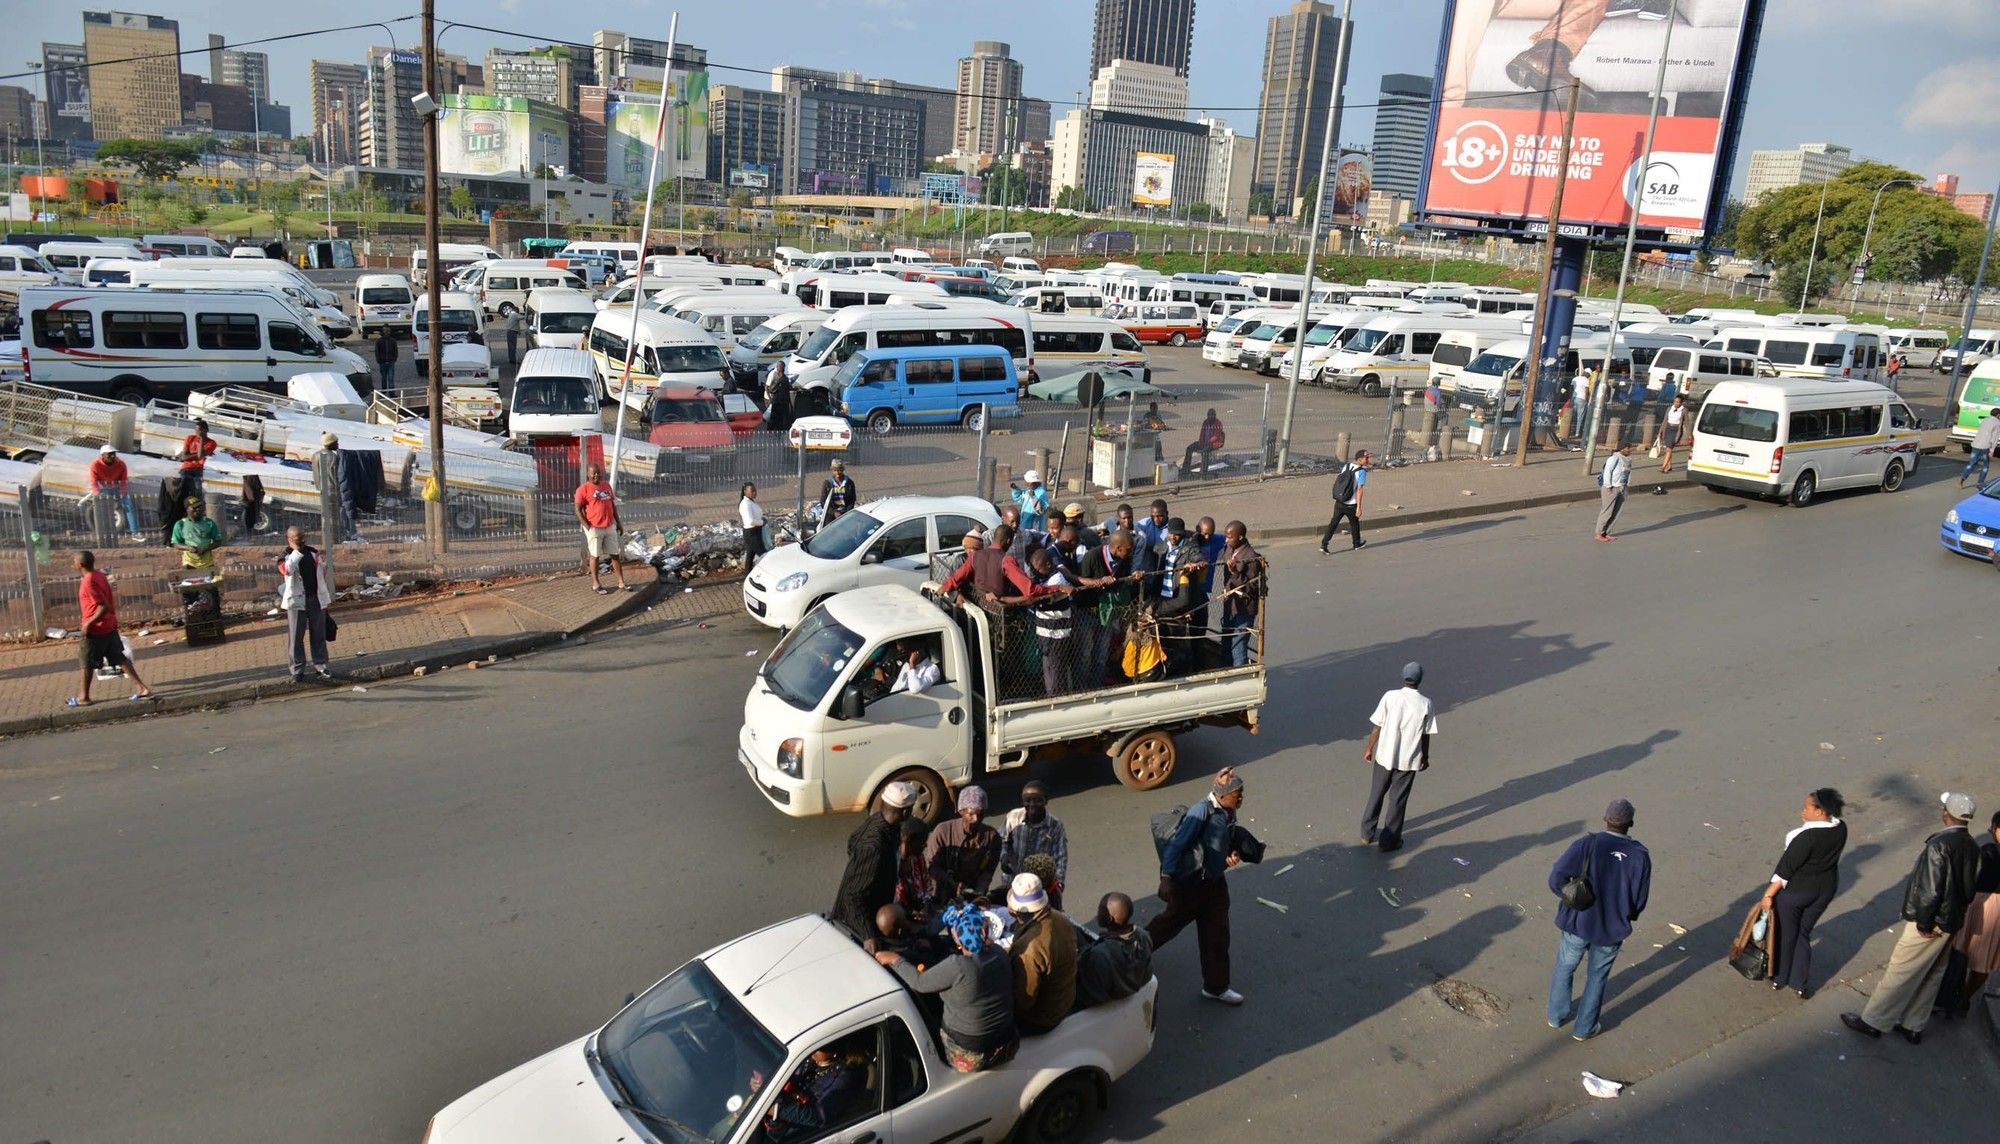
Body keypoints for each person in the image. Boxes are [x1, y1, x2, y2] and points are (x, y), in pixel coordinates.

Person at [1842, 792, 1983, 1045]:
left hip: (1932, 921)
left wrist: (1924, 923)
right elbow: (1969, 890)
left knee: (1901, 970)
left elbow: (1930, 890)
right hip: (1952, 921)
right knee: (1933, 973)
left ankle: (1874, 1021)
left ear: (1946, 814)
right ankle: (1913, 1025)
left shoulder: (1939, 846)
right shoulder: (1972, 846)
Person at [1547, 798, 1652, 1042]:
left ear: (1605, 819)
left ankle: (1556, 1015)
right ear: (1631, 824)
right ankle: (1584, 1029)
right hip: (1612, 928)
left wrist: (1571, 898)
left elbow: (1556, 878)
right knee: (1597, 976)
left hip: (1579, 922)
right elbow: (1639, 899)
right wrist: (1627, 915)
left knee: (1565, 966)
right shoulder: (1639, 855)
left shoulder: (1588, 844)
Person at [876, 901, 1018, 1072]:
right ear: (984, 931)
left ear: (958, 940)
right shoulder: (999, 953)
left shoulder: (957, 966)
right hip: (1006, 1044)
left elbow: (919, 983)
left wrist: (895, 960)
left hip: (970, 1055)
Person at [1150, 767, 1248, 1005]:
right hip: (1191, 886)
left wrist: (1228, 858)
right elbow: (1177, 845)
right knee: (1166, 926)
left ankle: (1216, 987)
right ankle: (1129, 951)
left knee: (1217, 936)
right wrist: (1166, 878)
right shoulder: (1200, 811)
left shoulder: (1228, 812)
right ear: (1223, 795)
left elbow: (1216, 845)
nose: (1241, 797)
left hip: (1214, 885)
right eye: (1238, 793)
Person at [1759, 788, 1848, 999]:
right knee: (1803, 933)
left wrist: (1768, 895)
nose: (1802, 811)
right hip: (1825, 889)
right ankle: (1799, 982)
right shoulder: (1840, 828)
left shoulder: (1803, 837)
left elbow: (1784, 871)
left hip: (1797, 893)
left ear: (1820, 811)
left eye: (1807, 807)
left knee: (1787, 934)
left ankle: (1779, 976)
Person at [1360, 662, 1439, 853]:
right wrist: (1425, 757)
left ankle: (1366, 834)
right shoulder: (1426, 703)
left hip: (1385, 755)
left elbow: (1377, 726)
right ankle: (1389, 842)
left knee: (1376, 793)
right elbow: (1425, 734)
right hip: (1408, 760)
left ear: (1403, 677)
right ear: (1420, 681)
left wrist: (1369, 748)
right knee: (1397, 800)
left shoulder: (1390, 696)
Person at [831, 782, 915, 943]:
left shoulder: (880, 821)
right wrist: (868, 936)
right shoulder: (874, 848)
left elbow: (852, 841)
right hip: (857, 924)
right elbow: (852, 897)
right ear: (905, 811)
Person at [70, 550, 151, 706]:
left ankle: (83, 697)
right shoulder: (99, 575)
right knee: (118, 657)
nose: (72, 564)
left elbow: (103, 607)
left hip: (97, 629)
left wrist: (88, 623)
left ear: (80, 565)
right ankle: (141, 688)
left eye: (73, 562)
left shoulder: (88, 581)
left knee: (86, 662)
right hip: (109, 625)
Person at [1944, 811, 2000, 1017]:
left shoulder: (1989, 852)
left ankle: (1949, 995)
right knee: (1983, 963)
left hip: (1982, 905)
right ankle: (1963, 998)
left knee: (1960, 951)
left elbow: (1971, 879)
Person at [1006, 873, 1077, 1035]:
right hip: (1064, 999)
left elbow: (1023, 1001)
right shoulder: (1061, 918)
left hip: (1043, 1018)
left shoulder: (1029, 950)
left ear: (1014, 910)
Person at [761, 1039, 868, 1140]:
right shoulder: (808, 1060)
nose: (813, 1049)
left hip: (806, 1135)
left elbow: (819, 1116)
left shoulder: (846, 1076)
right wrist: (764, 1085)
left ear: (834, 1051)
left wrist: (777, 1109)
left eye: (821, 1047)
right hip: (777, 1127)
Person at [1006, 548, 1075, 696]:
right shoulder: (1042, 578)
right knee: (1048, 666)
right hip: (1046, 631)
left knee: (1055, 668)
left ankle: (1056, 696)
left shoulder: (1057, 579)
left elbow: (1038, 598)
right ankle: (1052, 693)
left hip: (1057, 633)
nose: (1035, 572)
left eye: (1038, 569)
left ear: (1048, 565)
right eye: (1033, 569)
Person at [1075, 892, 1154, 1009]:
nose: (1097, 914)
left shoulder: (1100, 954)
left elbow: (1090, 993)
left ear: (1110, 918)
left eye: (1100, 910)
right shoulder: (1143, 936)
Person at [926, 785, 1003, 902]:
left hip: (972, 893)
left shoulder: (992, 837)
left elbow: (988, 870)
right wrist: (952, 883)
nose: (976, 819)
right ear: (961, 811)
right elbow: (932, 867)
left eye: (980, 814)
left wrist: (979, 891)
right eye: (971, 814)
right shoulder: (943, 831)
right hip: (942, 891)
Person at [277, 525, 334, 683]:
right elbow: (287, 570)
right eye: (297, 539)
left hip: (315, 598)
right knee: (296, 636)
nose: (301, 541)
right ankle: (297, 669)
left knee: (318, 634)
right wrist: (296, 551)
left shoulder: (313, 552)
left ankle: (320, 664)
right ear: (289, 540)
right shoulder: (285, 556)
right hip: (296, 601)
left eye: (302, 538)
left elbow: (321, 572)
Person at [999, 781, 1069, 907]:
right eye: (1028, 800)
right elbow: (1002, 840)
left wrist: (1058, 885)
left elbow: (1061, 857)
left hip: (1041, 887)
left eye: (1038, 800)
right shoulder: (1013, 817)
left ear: (1046, 801)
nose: (1032, 804)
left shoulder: (1055, 825)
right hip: (1014, 882)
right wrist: (1004, 857)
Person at [573, 464, 629, 594]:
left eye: (598, 473)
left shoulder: (606, 486)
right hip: (594, 527)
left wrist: (618, 523)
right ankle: (596, 584)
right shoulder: (583, 489)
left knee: (615, 554)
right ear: (588, 474)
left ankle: (621, 582)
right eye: (593, 473)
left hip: (609, 525)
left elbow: (612, 505)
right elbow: (577, 509)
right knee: (595, 555)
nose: (596, 475)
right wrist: (587, 526)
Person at [1218, 521, 1263, 668]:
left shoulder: (1251, 557)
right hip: (1230, 606)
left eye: (1230, 537)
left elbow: (1252, 587)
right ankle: (1225, 673)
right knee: (1225, 644)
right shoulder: (1229, 549)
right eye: (1226, 536)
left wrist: (1235, 573)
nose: (1226, 540)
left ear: (1241, 537)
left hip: (1243, 610)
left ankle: (1240, 677)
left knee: (1238, 648)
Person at [88, 444, 142, 540]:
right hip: (103, 489)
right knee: (102, 508)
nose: (112, 456)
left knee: (129, 505)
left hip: (117, 487)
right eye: (109, 454)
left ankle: (135, 533)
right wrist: (99, 496)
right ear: (102, 455)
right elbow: (93, 482)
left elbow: (124, 482)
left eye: (114, 454)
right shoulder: (95, 465)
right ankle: (104, 534)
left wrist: (120, 496)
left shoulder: (121, 464)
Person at [1320, 451, 1370, 553]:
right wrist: (1359, 507)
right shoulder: (1362, 472)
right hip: (1351, 503)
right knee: (1354, 524)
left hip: (1340, 501)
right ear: (1360, 460)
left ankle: (1324, 545)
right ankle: (1357, 544)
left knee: (1333, 523)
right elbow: (1359, 489)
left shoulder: (1346, 466)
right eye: (1366, 458)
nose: (1368, 460)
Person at [170, 496, 224, 581]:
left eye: (199, 506)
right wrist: (188, 548)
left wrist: (206, 548)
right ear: (187, 509)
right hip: (190, 563)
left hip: (207, 562)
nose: (198, 509)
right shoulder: (180, 524)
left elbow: (218, 541)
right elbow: (175, 544)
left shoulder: (209, 523)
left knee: (212, 588)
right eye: (194, 507)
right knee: (190, 589)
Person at [894, 818, 937, 917]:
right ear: (907, 841)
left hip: (918, 909)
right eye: (922, 842)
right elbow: (896, 895)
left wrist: (925, 907)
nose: (925, 845)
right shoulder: (893, 862)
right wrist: (911, 913)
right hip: (899, 911)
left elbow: (926, 885)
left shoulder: (917, 857)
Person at [1595, 442, 1633, 542]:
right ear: (1622, 449)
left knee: (1616, 512)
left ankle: (1606, 532)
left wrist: (1626, 486)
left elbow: (1628, 474)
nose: (1629, 450)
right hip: (1612, 488)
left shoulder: (1628, 460)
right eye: (1627, 448)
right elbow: (1607, 471)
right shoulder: (1614, 458)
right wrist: (1608, 486)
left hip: (1622, 488)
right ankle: (1599, 533)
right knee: (1607, 511)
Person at [176, 418, 217, 507]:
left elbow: (201, 455)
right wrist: (196, 456)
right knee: (183, 488)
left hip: (198, 468)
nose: (197, 432)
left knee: (198, 490)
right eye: (196, 430)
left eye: (200, 430)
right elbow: (183, 457)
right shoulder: (190, 438)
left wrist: (202, 440)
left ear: (206, 430)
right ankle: (182, 508)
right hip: (186, 468)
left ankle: (198, 508)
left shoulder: (212, 443)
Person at [1960, 407, 2000, 488]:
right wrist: (1992, 451)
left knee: (1972, 463)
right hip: (1985, 446)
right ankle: (1980, 483)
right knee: (1985, 465)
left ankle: (1961, 480)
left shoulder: (1985, 420)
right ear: (1998, 415)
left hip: (1976, 444)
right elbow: (1995, 438)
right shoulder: (1997, 423)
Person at [1183, 408, 1225, 474]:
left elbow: (1216, 436)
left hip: (1213, 443)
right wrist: (1201, 442)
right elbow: (1202, 433)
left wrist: (1207, 443)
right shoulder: (1205, 422)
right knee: (1189, 448)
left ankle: (1203, 472)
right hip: (1204, 442)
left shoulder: (1218, 423)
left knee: (1205, 452)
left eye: (1212, 415)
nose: (1210, 417)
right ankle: (1185, 469)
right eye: (1209, 415)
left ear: (1215, 415)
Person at [738, 482, 766, 571]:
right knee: (765, 556)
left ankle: (747, 576)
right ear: (745, 491)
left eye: (755, 490)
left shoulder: (750, 501)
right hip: (752, 534)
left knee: (750, 557)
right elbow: (750, 521)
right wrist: (762, 522)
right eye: (752, 491)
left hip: (754, 532)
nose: (755, 492)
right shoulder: (745, 504)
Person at [820, 459, 857, 524]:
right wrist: (834, 512)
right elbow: (823, 502)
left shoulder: (849, 483)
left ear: (843, 470)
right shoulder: (827, 483)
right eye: (835, 470)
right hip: (830, 516)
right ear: (832, 470)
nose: (837, 473)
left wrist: (845, 513)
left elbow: (852, 500)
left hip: (845, 514)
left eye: (839, 470)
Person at [1659, 394, 1687, 473]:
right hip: (1668, 429)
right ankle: (1669, 466)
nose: (1676, 403)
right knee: (1668, 448)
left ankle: (1663, 466)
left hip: (1676, 430)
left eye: (1678, 402)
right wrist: (1660, 431)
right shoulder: (1669, 409)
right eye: (1675, 401)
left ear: (1681, 403)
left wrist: (1689, 435)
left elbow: (1687, 423)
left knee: (1669, 449)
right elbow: (1665, 420)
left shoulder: (1684, 410)